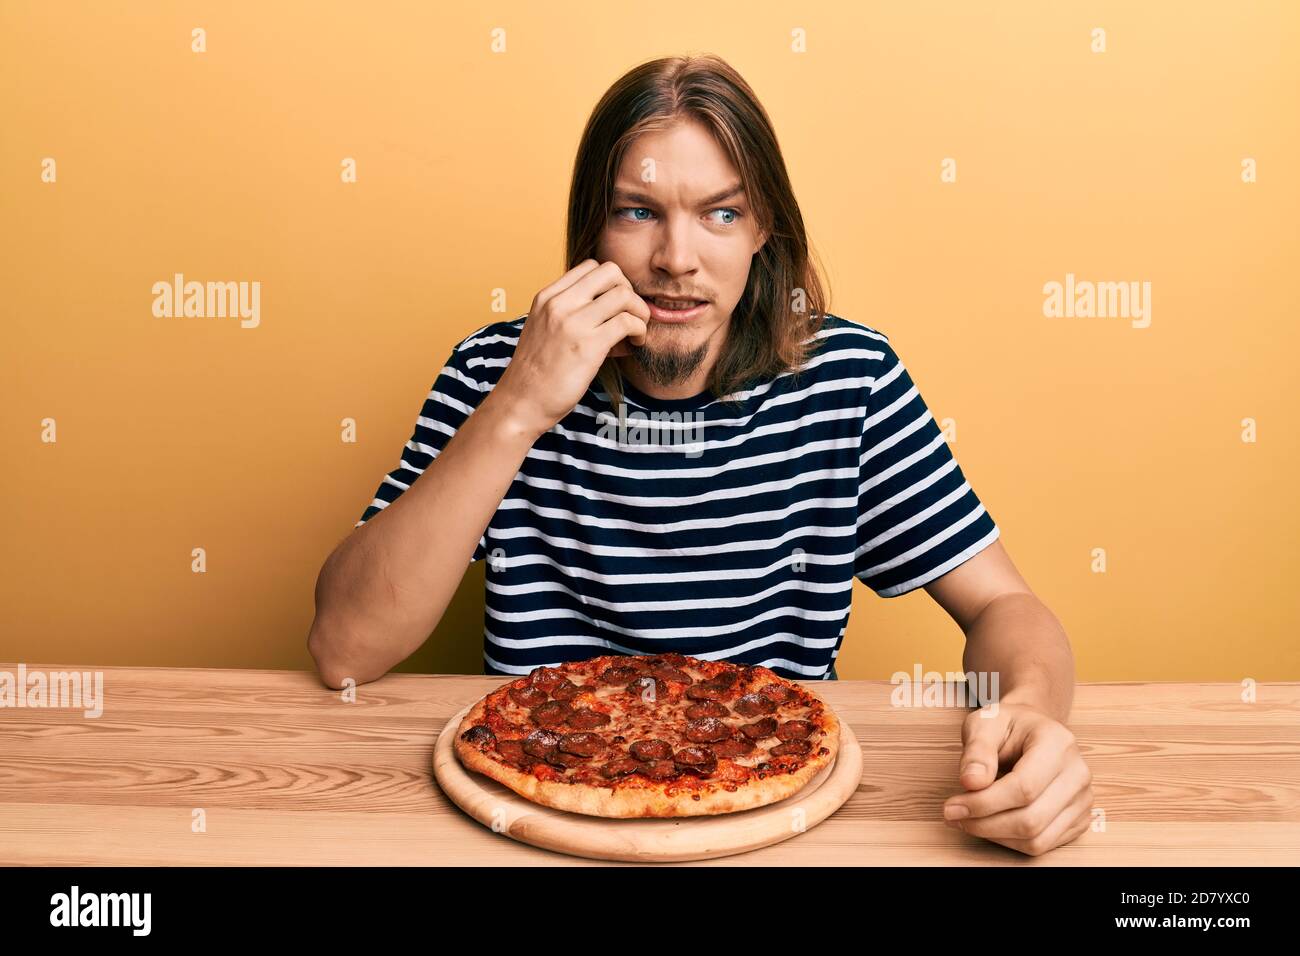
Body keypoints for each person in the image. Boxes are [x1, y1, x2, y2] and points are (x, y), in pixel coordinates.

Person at [308, 54, 1092, 856]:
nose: (677, 259)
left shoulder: (849, 381)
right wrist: (517, 410)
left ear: (763, 229)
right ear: (591, 230)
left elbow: (1007, 609)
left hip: (774, 829)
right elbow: (344, 647)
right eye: (637, 212)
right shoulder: (494, 372)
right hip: (535, 832)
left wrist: (1029, 712)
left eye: (720, 214)